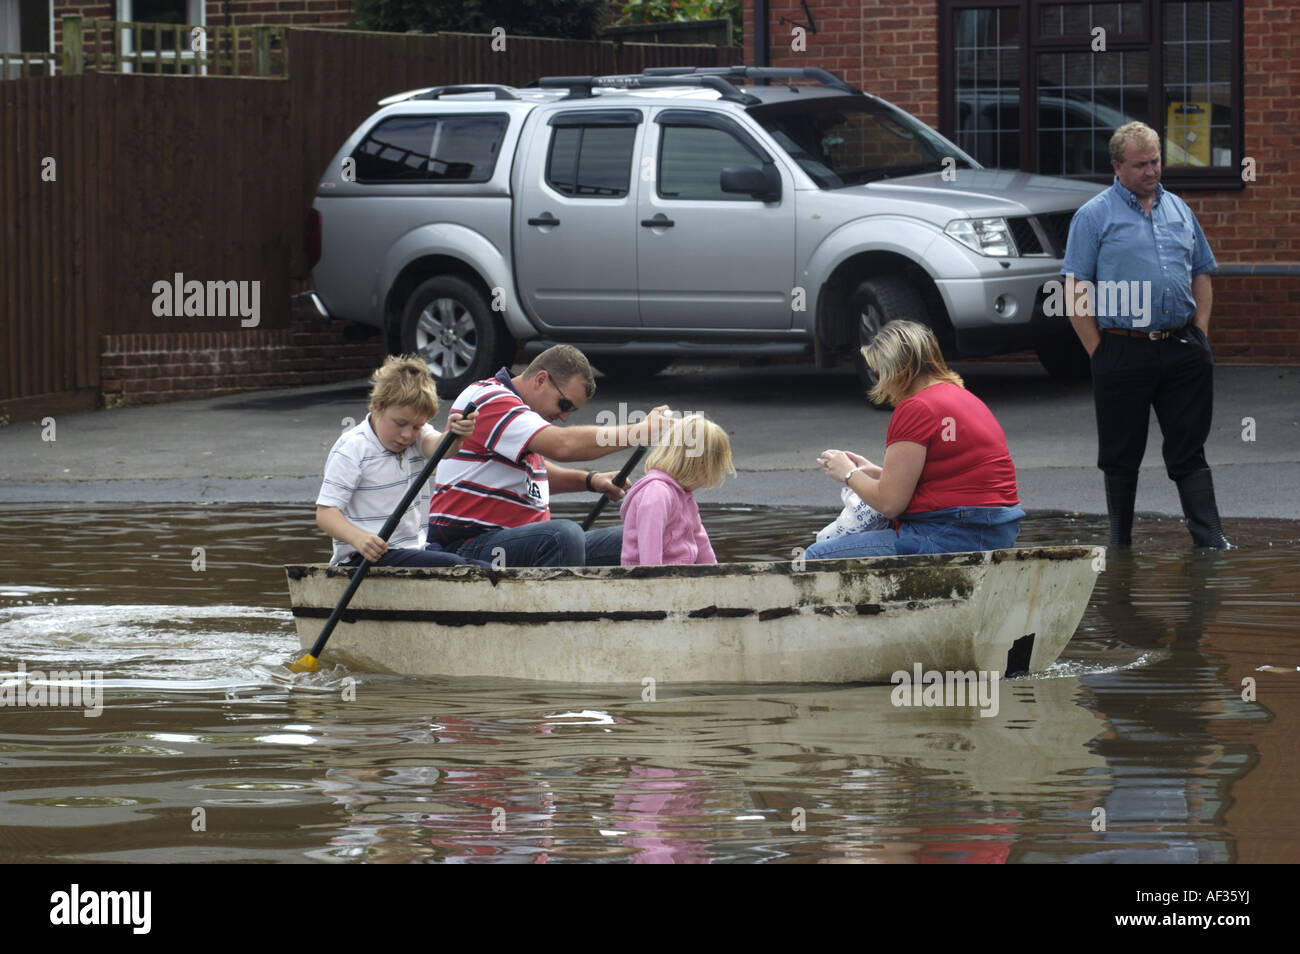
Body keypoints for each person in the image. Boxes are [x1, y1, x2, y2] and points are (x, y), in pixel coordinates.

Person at [1062, 120, 1231, 549]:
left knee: (1189, 449)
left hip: (1182, 348)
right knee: (1121, 454)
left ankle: (1211, 539)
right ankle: (1119, 544)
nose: (1151, 171)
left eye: (1156, 161)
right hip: (1122, 349)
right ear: (1117, 167)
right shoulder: (1094, 215)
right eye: (1141, 165)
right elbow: (1075, 288)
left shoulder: (1179, 210)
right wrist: (1098, 351)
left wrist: (1200, 335)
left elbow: (1202, 273)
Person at [429, 345, 669, 567]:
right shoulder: (488, 398)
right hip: (469, 547)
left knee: (643, 538)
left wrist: (590, 480)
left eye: (571, 411)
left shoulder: (521, 417)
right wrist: (639, 433)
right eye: (564, 405)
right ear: (541, 379)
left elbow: (538, 474)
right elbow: (563, 445)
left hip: (524, 543)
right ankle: (563, 613)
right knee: (562, 536)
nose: (564, 417)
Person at [804, 321, 1024, 559]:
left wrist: (848, 474)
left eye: (878, 372)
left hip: (953, 533)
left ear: (897, 370)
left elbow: (890, 504)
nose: (879, 383)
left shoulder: (916, 408)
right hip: (996, 528)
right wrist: (878, 473)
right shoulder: (965, 397)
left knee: (817, 557)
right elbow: (951, 474)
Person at [316, 355, 483, 568]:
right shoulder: (352, 449)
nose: (407, 435)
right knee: (459, 566)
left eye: (416, 427)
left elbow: (441, 448)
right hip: (366, 557)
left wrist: (456, 435)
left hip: (413, 549)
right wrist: (359, 538)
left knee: (474, 563)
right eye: (400, 423)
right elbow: (326, 513)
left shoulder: (419, 436)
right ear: (376, 407)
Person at [620, 414, 736, 566]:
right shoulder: (657, 494)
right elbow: (650, 548)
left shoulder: (683, 494)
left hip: (676, 574)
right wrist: (655, 583)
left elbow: (699, 536)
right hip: (649, 580)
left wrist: (715, 573)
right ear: (700, 464)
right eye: (713, 469)